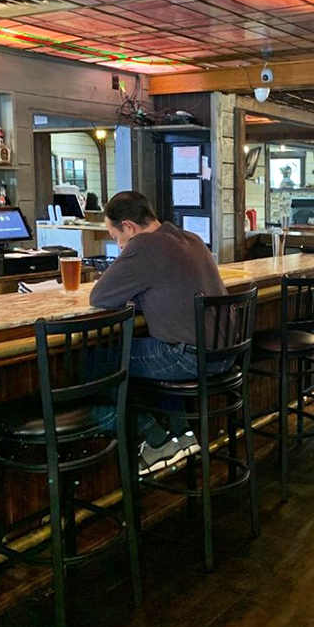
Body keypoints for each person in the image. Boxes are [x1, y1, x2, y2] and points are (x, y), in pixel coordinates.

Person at [90, 191, 229, 474]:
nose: (117, 244)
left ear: (129, 226)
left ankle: (155, 438)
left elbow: (100, 297)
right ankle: (182, 434)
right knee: (156, 345)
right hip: (224, 355)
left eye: (115, 235)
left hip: (188, 357)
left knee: (97, 362)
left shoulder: (143, 245)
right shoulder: (190, 238)